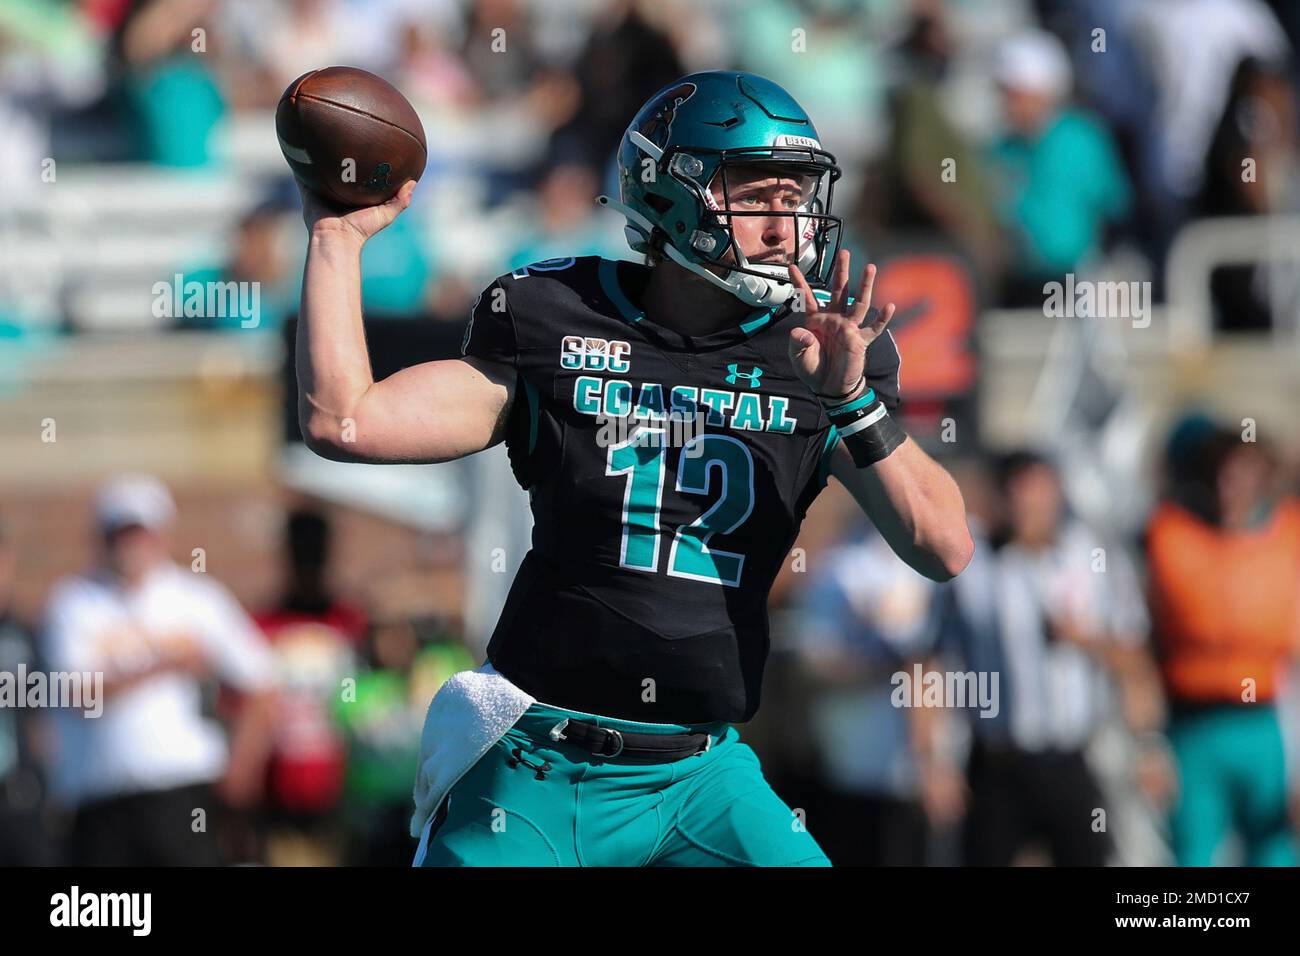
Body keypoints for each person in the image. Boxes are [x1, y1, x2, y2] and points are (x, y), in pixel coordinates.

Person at [294, 70, 972, 867]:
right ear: (671, 191)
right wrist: (335, 241)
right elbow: (345, 422)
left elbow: (944, 546)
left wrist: (853, 400)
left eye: (797, 197)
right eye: (756, 195)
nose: (786, 226)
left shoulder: (819, 354)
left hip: (701, 775)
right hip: (536, 763)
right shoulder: (559, 316)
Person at [41, 474, 278, 865]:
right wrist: (164, 665)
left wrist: (242, 769)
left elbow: (263, 685)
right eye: (121, 533)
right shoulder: (72, 603)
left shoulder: (197, 599)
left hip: (183, 792)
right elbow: (81, 694)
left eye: (141, 533)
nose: (132, 545)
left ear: (161, 535)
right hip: (100, 799)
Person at [1147, 423, 1300, 866]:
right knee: (1193, 851)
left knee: (1274, 849)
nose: (1229, 486)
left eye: (1243, 473)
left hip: (1266, 722)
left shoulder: (1287, 536)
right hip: (1193, 723)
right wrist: (1148, 741)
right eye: (1221, 473)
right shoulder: (1169, 536)